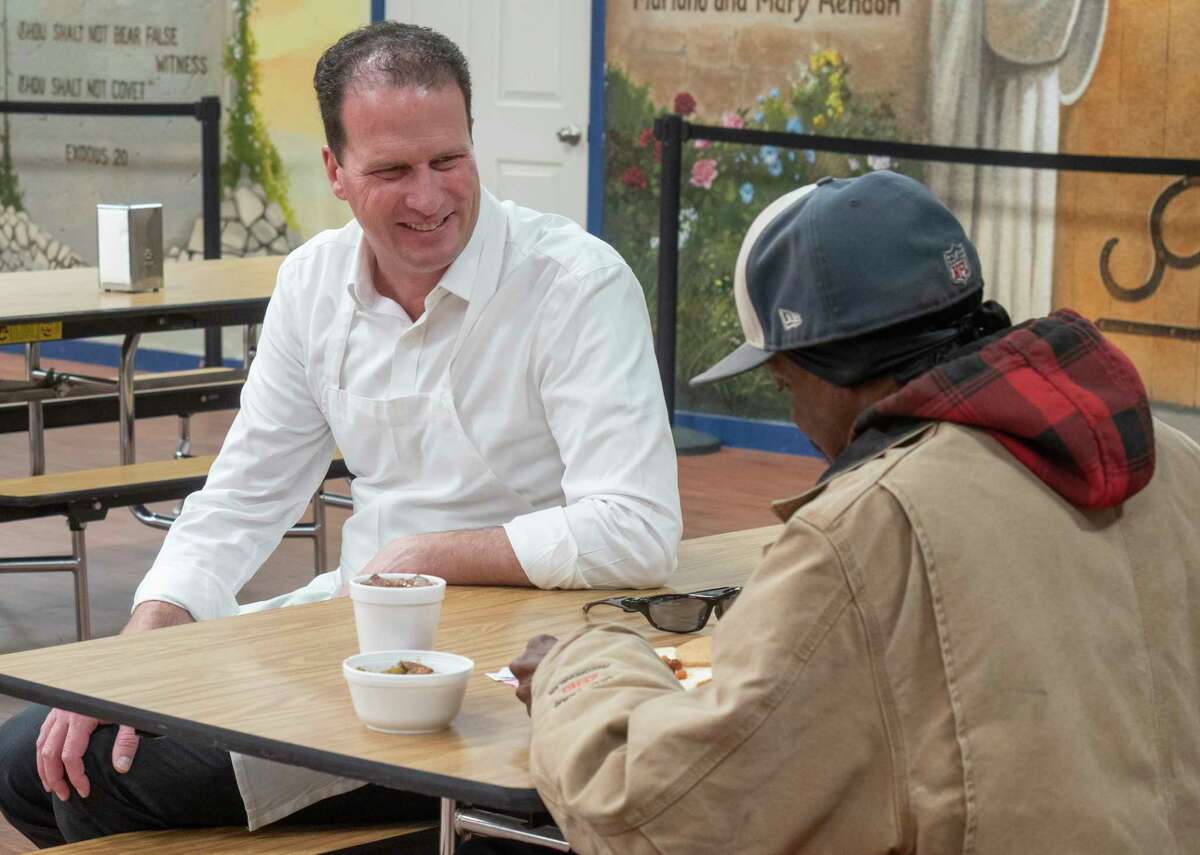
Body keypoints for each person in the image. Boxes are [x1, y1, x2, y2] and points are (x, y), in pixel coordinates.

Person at [0, 22, 681, 848]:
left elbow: (638, 531)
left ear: (473, 143)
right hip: (355, 636)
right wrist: (141, 647)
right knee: (27, 760)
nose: (428, 198)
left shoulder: (577, 283)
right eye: (392, 171)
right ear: (335, 172)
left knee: (105, 778)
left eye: (448, 161)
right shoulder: (313, 281)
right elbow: (246, 492)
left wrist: (425, 555)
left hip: (519, 664)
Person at [510, 171, 1200, 854]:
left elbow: (661, 814)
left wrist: (581, 669)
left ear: (830, 372)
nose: (798, 418)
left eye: (783, 383)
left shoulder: (865, 530)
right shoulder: (1177, 461)